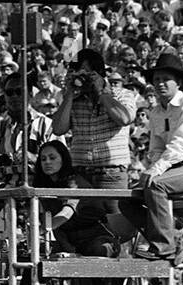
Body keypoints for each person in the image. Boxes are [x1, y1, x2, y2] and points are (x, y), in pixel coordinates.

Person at [121, 53, 183, 261]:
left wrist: (156, 170)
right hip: (174, 168)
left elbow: (181, 144)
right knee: (126, 200)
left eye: (165, 80)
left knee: (156, 185)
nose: (160, 84)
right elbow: (156, 147)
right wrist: (154, 166)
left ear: (178, 83)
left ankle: (164, 246)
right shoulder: (155, 112)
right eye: (156, 80)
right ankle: (174, 238)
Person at [49, 50, 135, 257]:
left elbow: (124, 118)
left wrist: (101, 93)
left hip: (112, 174)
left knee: (117, 233)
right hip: (82, 176)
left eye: (87, 73)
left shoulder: (121, 95)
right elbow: (58, 129)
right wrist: (69, 95)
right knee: (86, 234)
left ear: (99, 73)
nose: (83, 78)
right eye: (79, 73)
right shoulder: (73, 99)